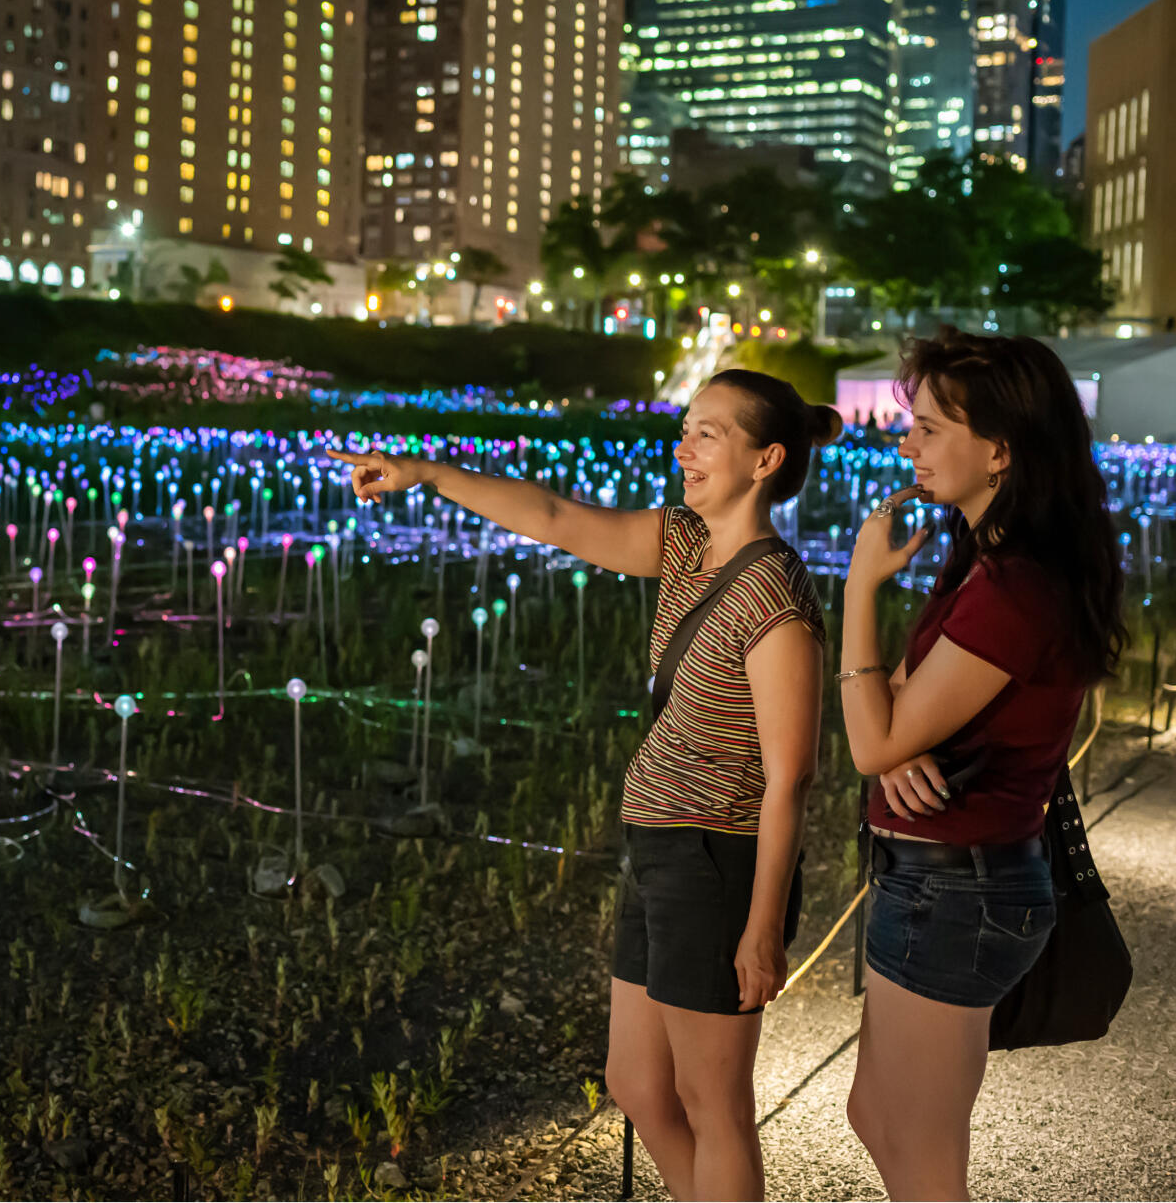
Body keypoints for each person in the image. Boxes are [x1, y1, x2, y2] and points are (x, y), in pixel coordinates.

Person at [332, 369, 843, 1200]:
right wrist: (427, 472)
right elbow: (555, 518)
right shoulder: (685, 544)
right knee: (638, 1084)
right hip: (659, 848)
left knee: (714, 1103)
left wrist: (761, 928)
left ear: (765, 459)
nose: (685, 448)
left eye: (708, 433)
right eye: (686, 429)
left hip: (720, 860)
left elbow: (792, 778)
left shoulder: (774, 594)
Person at [838, 328, 1127, 1200]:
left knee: (926, 1162)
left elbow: (870, 736)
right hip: (931, 881)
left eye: (928, 428)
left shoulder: (1014, 589)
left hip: (958, 892)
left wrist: (859, 590)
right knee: (874, 1117)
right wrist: (896, 742)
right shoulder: (981, 563)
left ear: (1000, 450)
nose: (906, 446)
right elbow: (893, 707)